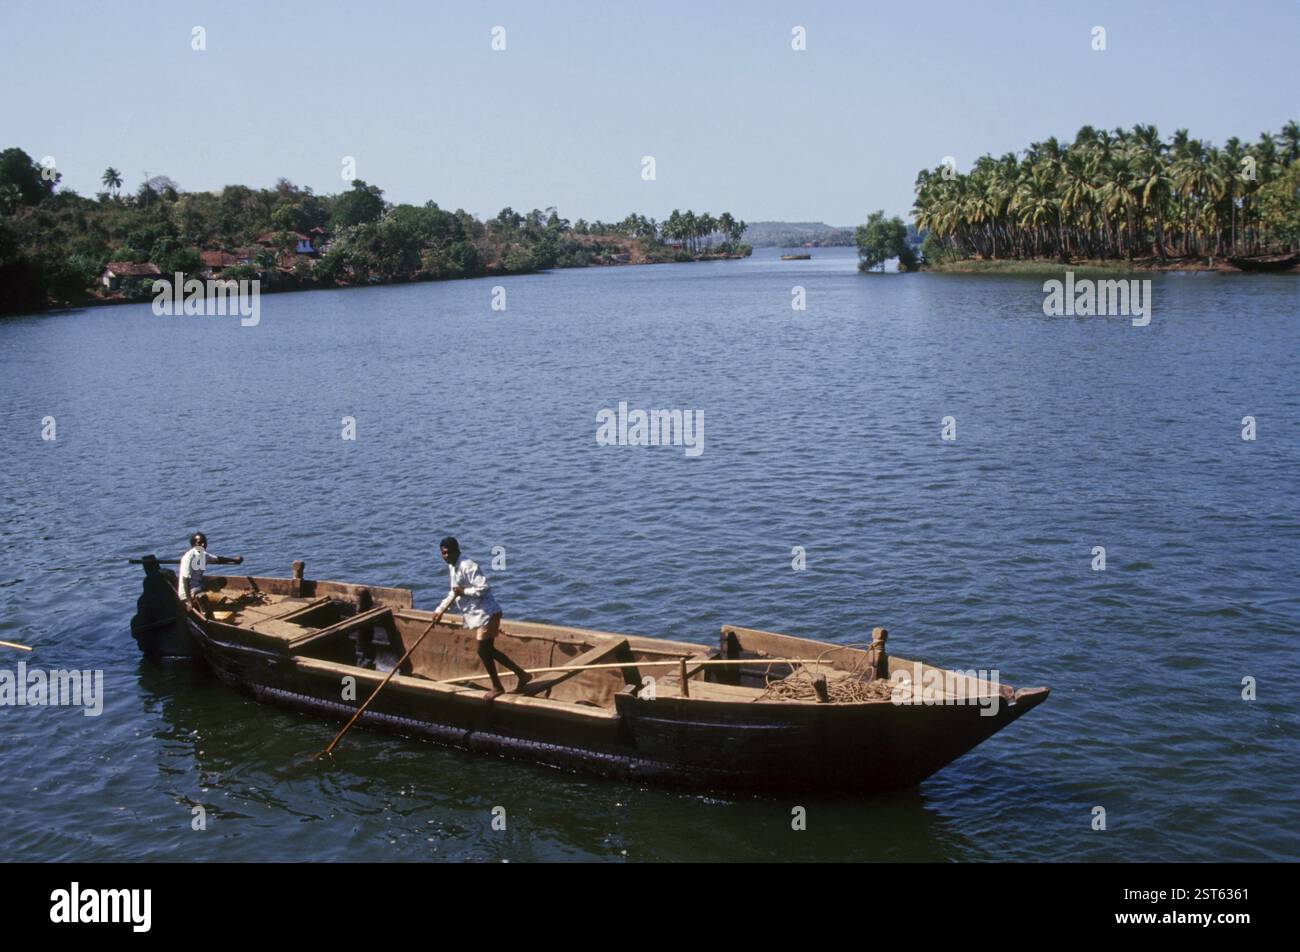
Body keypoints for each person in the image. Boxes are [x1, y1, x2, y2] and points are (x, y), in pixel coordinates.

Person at [435, 536, 530, 699]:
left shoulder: (468, 566)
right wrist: (440, 610)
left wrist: (464, 592)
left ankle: (498, 686)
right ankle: (522, 675)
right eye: (442, 553)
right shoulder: (453, 566)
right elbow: (454, 591)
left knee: (483, 650)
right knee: (488, 650)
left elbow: (483, 588)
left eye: (448, 553)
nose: (445, 556)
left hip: (488, 613)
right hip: (478, 616)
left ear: (457, 551)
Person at [177, 532, 242, 614]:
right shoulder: (189, 557)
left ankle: (209, 601)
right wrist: (189, 602)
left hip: (199, 586)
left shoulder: (203, 554)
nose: (203, 545)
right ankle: (205, 608)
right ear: (193, 545)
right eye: (199, 543)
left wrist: (235, 560)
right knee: (203, 597)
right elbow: (185, 579)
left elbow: (218, 559)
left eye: (204, 542)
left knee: (221, 581)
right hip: (189, 593)